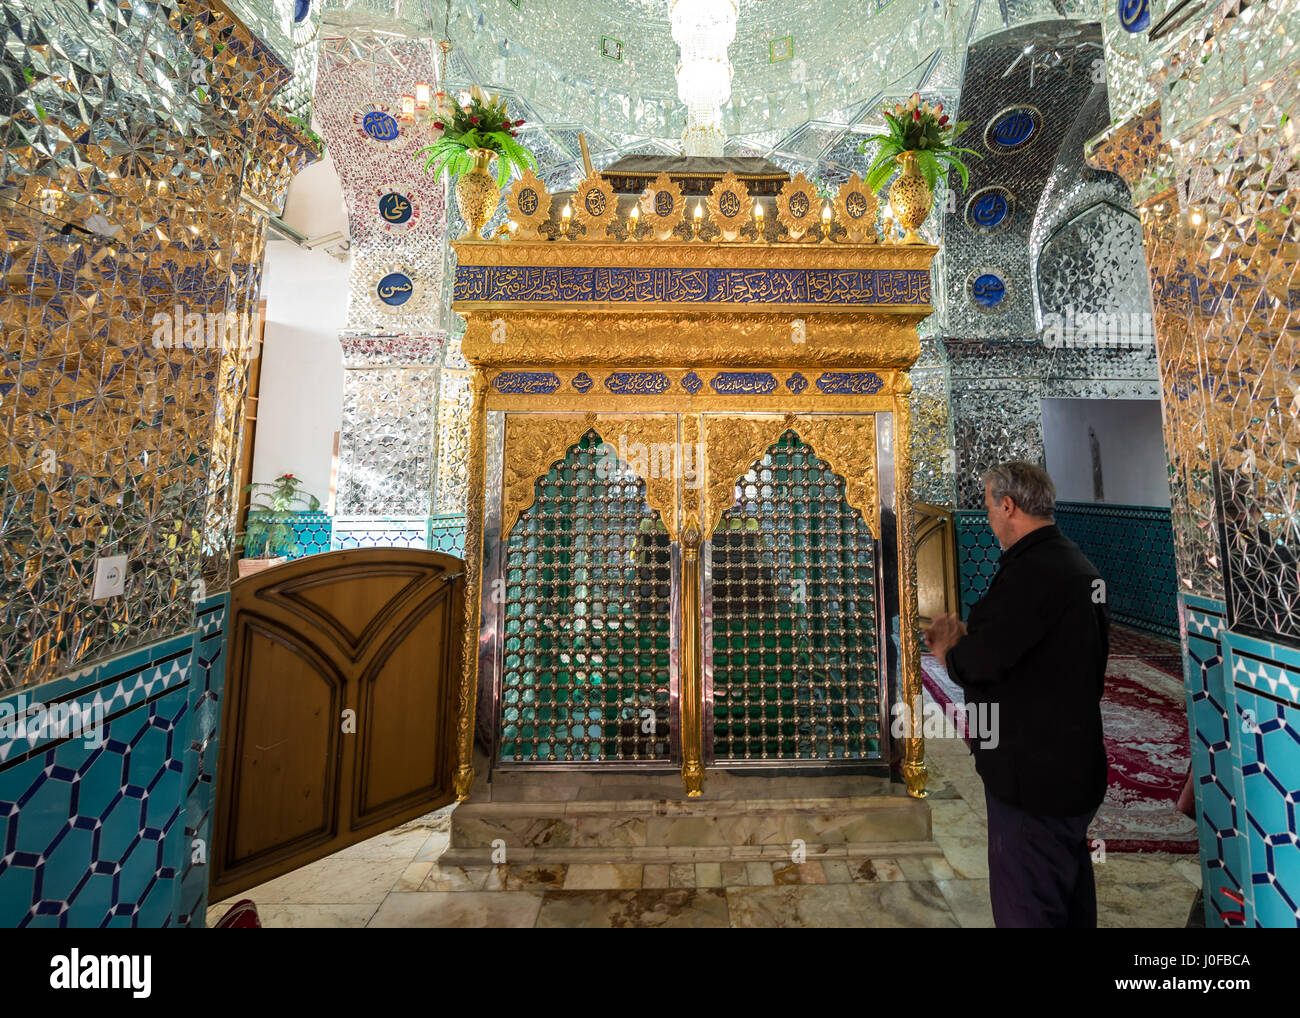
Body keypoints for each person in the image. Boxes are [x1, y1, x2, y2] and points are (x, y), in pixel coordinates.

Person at [924, 461, 1109, 928]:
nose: (988, 519)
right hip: (1073, 768)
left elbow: (979, 664)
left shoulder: (1032, 575)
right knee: (1067, 895)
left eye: (989, 507)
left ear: (1008, 505)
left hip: (1032, 779)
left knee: (1027, 904)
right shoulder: (1077, 564)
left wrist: (950, 648)